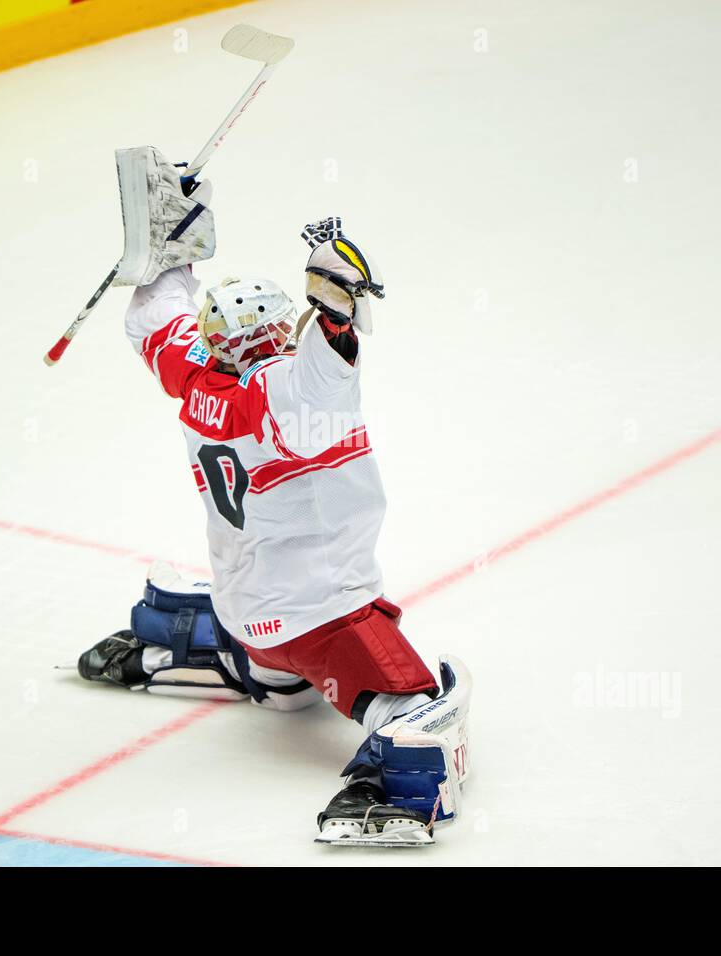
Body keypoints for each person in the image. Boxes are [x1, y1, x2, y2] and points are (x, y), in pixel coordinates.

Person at [78, 147, 471, 846]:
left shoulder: (194, 374)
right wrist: (335, 295)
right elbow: (330, 351)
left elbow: (153, 318)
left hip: (247, 609)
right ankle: (393, 783)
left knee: (283, 664)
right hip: (320, 616)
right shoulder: (294, 391)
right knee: (412, 700)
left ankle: (246, 662)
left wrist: (173, 245)